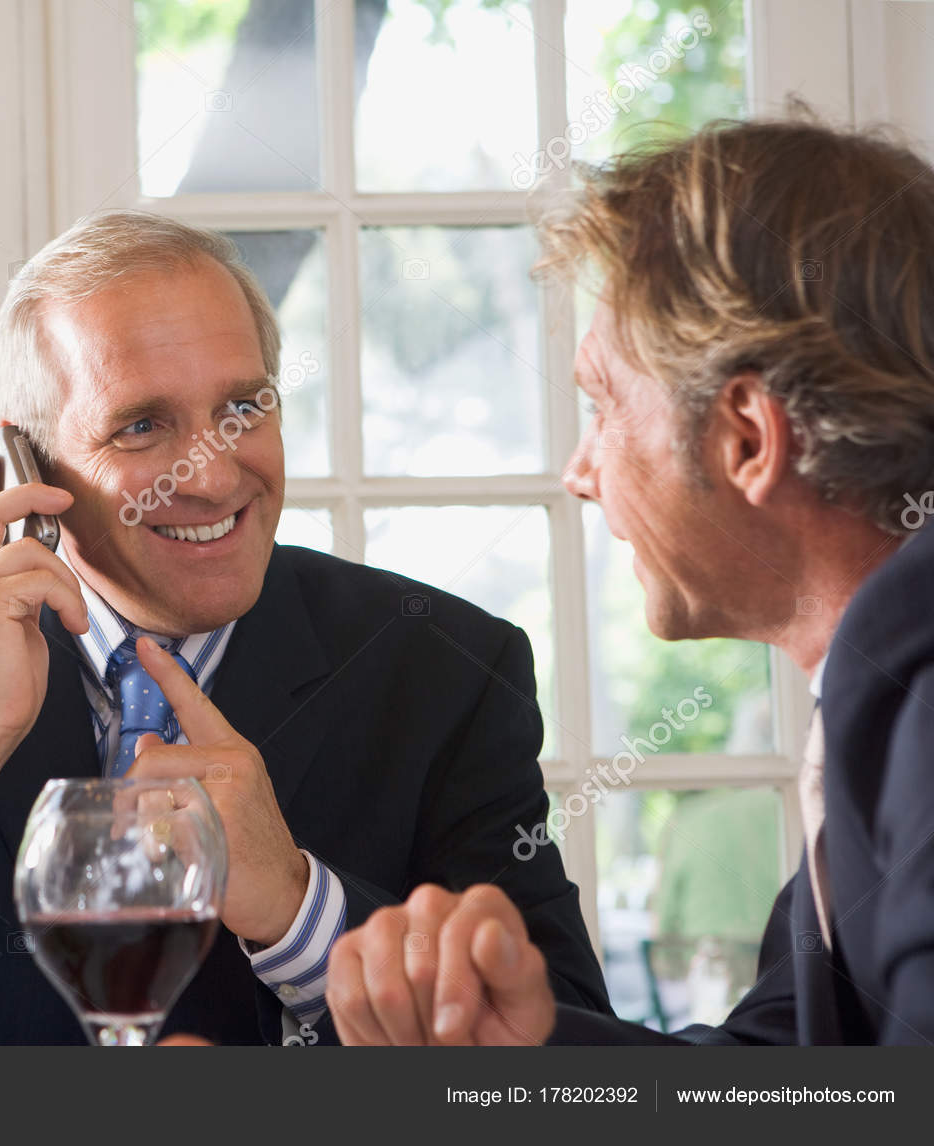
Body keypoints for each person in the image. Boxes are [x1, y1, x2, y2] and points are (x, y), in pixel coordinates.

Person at [0, 209, 608, 1045]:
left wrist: (295, 907)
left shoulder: (443, 671)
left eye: (243, 408)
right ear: (30, 462)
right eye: (142, 427)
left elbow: (571, 1063)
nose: (208, 474)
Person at [323, 117, 934, 1046]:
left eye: (604, 403)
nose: (580, 470)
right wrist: (519, 1054)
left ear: (748, 440)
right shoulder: (883, 699)